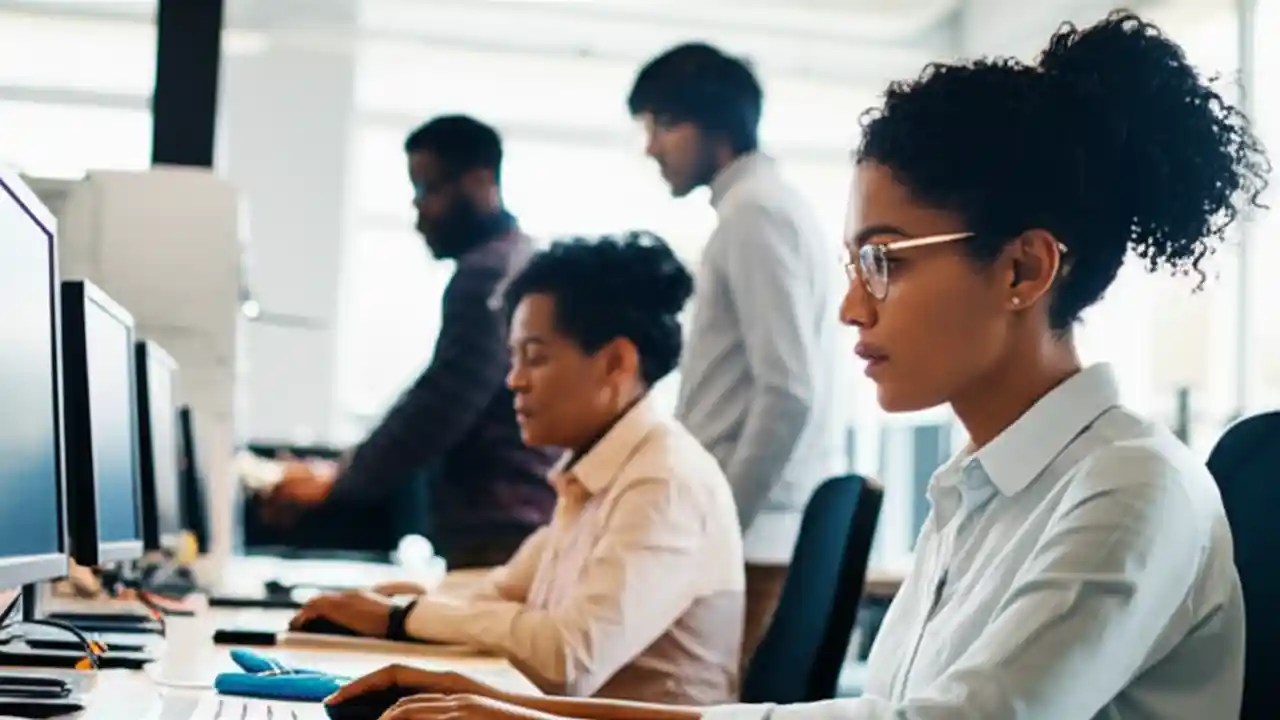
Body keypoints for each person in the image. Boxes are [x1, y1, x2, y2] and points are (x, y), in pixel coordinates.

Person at [322, 10, 1269, 719]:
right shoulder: (980, 489)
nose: (852, 306)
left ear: (1022, 268)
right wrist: (524, 712)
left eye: (884, 262)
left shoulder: (1132, 491)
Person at [293, 233, 746, 704]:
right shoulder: (599, 472)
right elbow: (500, 592)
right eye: (514, 358)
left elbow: (568, 659)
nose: (514, 380)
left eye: (535, 357)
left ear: (615, 362)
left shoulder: (663, 480)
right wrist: (399, 599)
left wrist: (403, 616)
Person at [627, 42, 843, 667]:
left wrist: (717, 527)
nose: (651, 147)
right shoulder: (761, 209)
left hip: (754, 539)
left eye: (662, 125)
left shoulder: (756, 215)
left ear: (714, 128)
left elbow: (787, 390)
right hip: (753, 532)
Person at [265, 115, 557, 568]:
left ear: (479, 182)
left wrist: (339, 482)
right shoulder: (518, 259)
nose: (419, 210)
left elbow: (441, 403)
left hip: (502, 528)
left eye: (427, 189)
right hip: (517, 520)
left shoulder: (487, 274)